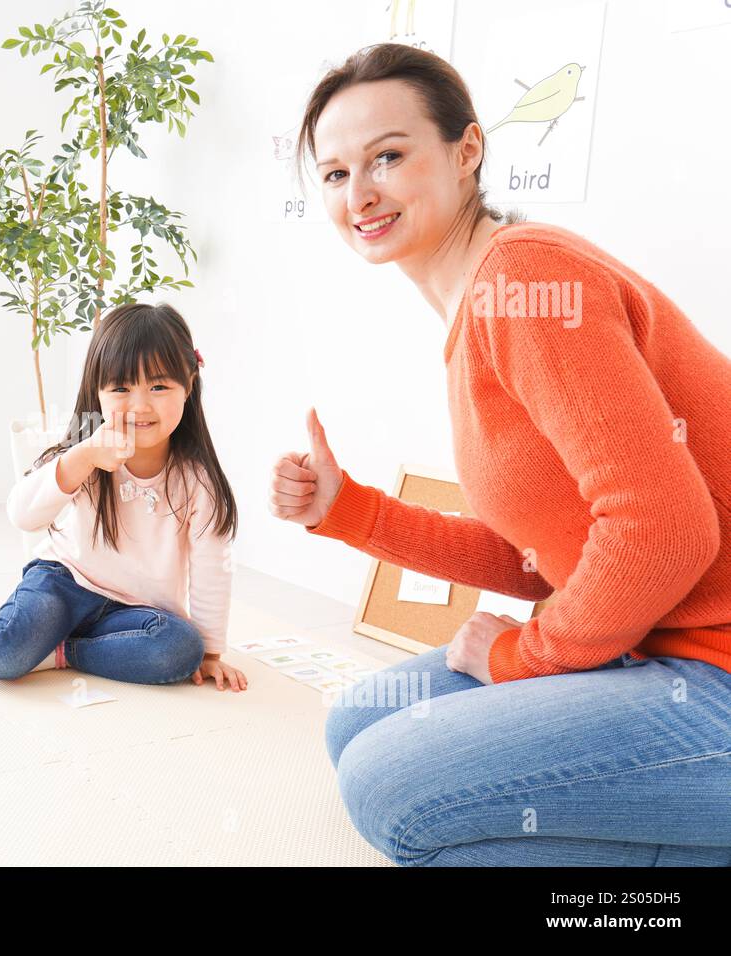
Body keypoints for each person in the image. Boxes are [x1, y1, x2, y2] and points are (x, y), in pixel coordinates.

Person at [270, 42, 731, 864]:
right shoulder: (481, 300)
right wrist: (350, 512)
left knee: (388, 787)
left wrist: (526, 657)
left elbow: (665, 531)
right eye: (336, 174)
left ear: (467, 151)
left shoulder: (525, 284)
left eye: (388, 156)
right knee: (356, 726)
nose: (361, 193)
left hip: (717, 672)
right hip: (653, 645)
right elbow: (544, 558)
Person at [0, 301, 247, 691]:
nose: (140, 405)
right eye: (121, 388)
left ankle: (59, 653)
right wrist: (81, 458)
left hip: (134, 614)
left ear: (188, 382)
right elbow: (22, 515)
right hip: (63, 585)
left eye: (158, 386)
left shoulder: (199, 482)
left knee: (181, 649)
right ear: (97, 391)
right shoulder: (87, 453)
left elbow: (211, 569)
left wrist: (211, 654)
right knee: (4, 654)